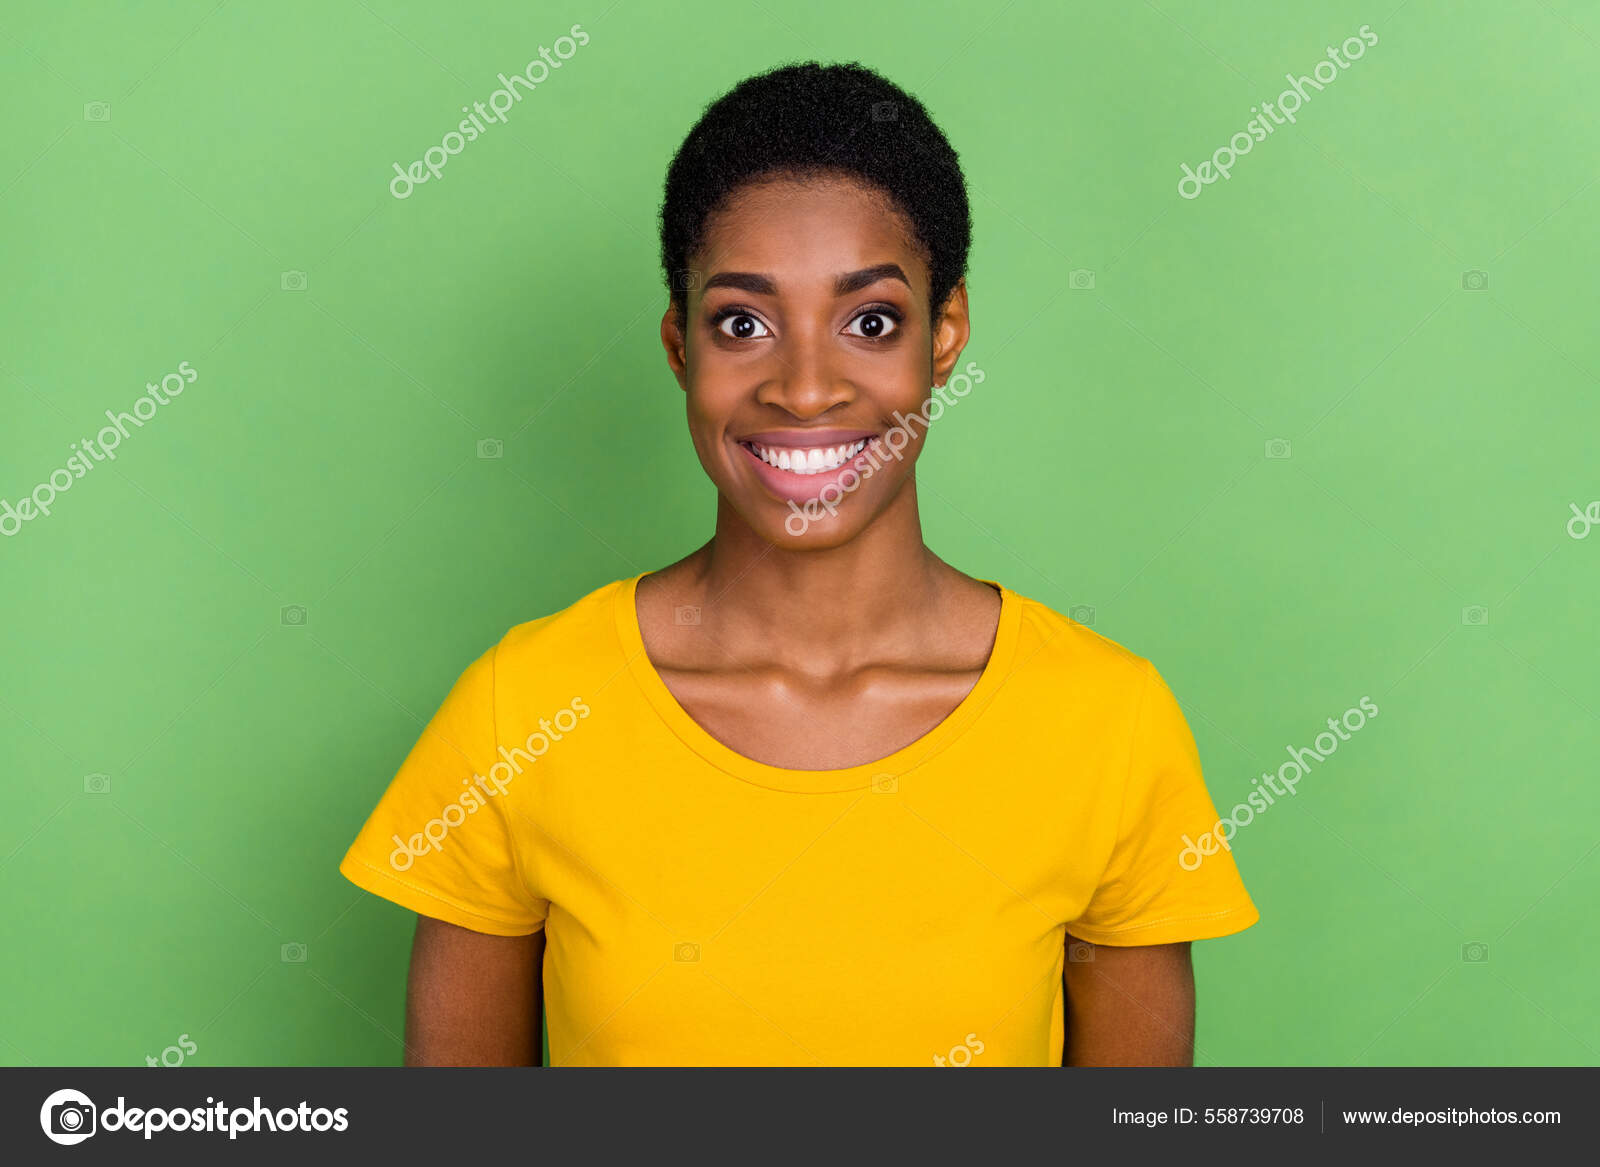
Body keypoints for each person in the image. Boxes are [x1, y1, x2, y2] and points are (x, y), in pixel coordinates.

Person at [339, 60, 1257, 1067]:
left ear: (944, 336)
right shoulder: (521, 711)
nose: (806, 388)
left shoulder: (1106, 724)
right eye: (742, 322)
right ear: (679, 346)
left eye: (869, 321)